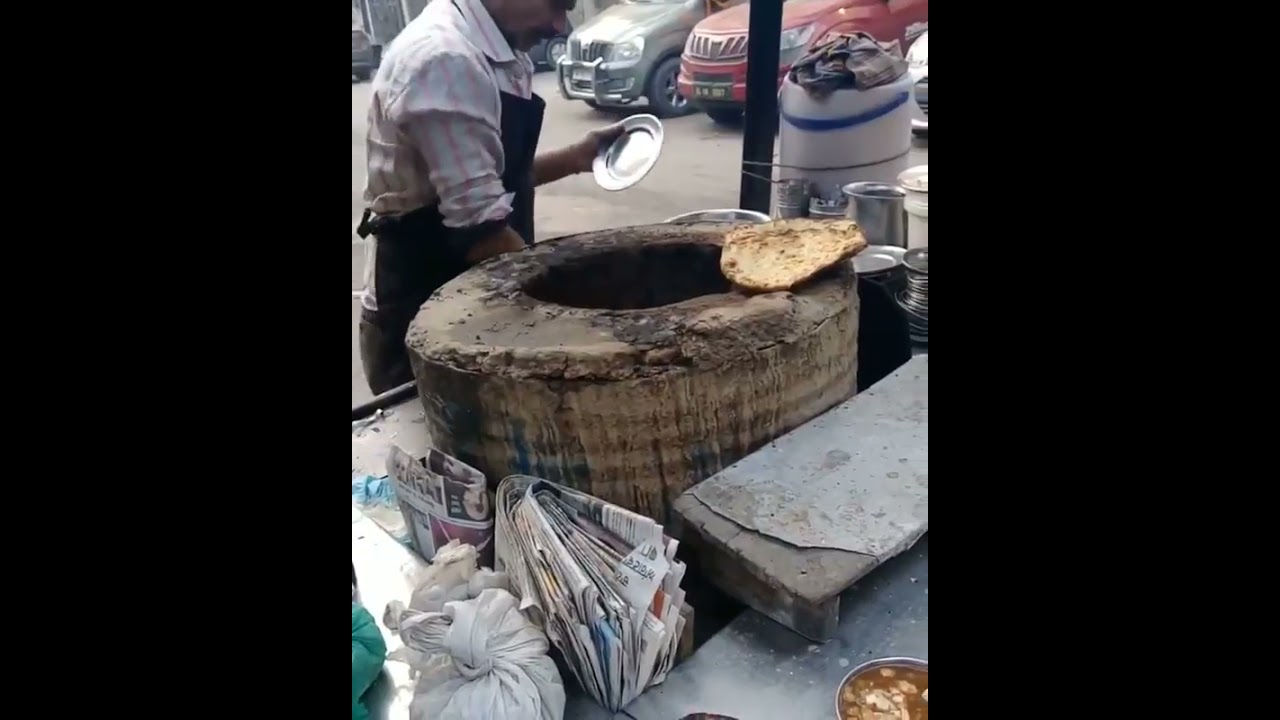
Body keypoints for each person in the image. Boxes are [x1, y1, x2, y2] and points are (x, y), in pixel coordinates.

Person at [357, 0, 624, 395]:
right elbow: (483, 230)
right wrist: (581, 320)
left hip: (471, 298)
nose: (560, 26)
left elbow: (489, 180)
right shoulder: (443, 59)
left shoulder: (495, 48)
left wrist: (574, 158)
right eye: (556, 6)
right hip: (420, 313)